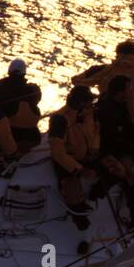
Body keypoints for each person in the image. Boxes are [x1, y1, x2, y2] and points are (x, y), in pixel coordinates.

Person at [93, 75, 134, 229]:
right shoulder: (106, 110)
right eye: (128, 89)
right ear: (120, 91)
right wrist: (132, 148)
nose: (131, 92)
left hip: (122, 145)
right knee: (132, 179)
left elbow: (128, 126)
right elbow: (112, 139)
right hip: (110, 150)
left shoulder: (121, 104)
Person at [47, 86, 100, 230]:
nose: (91, 106)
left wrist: (95, 148)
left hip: (89, 155)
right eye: (88, 103)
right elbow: (57, 152)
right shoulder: (60, 119)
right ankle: (79, 220)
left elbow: (97, 131)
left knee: (115, 168)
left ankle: (96, 193)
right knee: (70, 184)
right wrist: (79, 170)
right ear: (81, 103)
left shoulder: (90, 113)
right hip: (69, 160)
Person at [71, 41, 134, 126]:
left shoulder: (109, 69)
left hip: (108, 112)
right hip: (131, 117)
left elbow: (82, 81)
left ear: (119, 55)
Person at [0, 58, 43, 152]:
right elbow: (35, 93)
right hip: (33, 138)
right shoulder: (33, 90)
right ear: (24, 73)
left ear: (9, 71)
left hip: (10, 139)